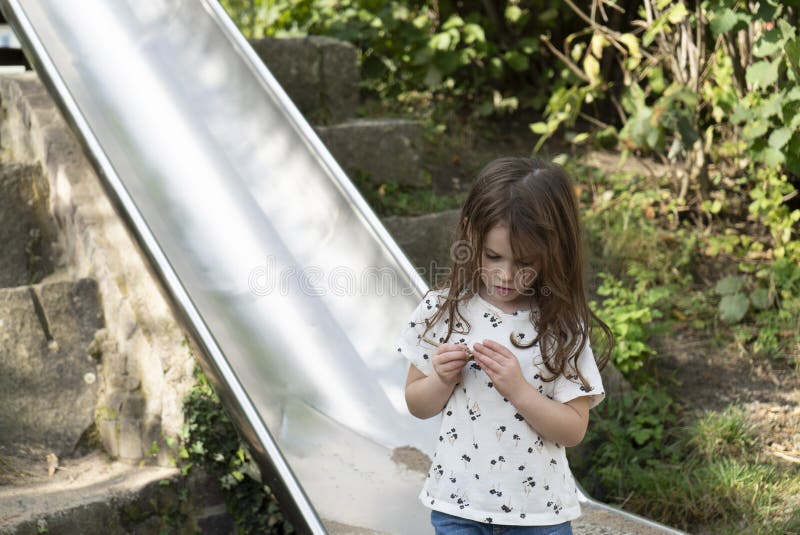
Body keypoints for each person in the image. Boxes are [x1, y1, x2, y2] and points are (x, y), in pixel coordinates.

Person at [396, 156, 613, 534]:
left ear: (554, 251)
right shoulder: (443, 309)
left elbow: (574, 430)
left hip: (538, 516)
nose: (506, 275)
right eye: (493, 256)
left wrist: (519, 391)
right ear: (470, 235)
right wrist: (441, 380)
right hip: (458, 506)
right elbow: (417, 403)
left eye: (525, 262)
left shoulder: (561, 327)